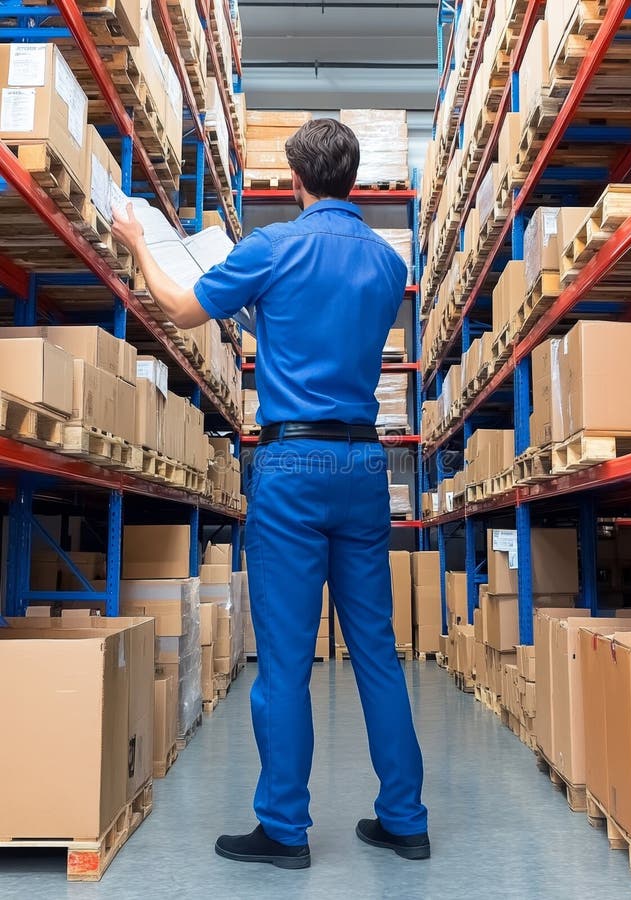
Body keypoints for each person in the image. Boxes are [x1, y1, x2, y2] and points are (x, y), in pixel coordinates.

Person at [112, 118, 429, 869]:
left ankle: (285, 830)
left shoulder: (272, 246)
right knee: (377, 652)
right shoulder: (387, 265)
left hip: (293, 467)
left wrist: (135, 244)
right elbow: (330, 333)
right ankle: (405, 819)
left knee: (285, 659)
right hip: (363, 468)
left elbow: (183, 307)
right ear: (352, 180)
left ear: (295, 181)